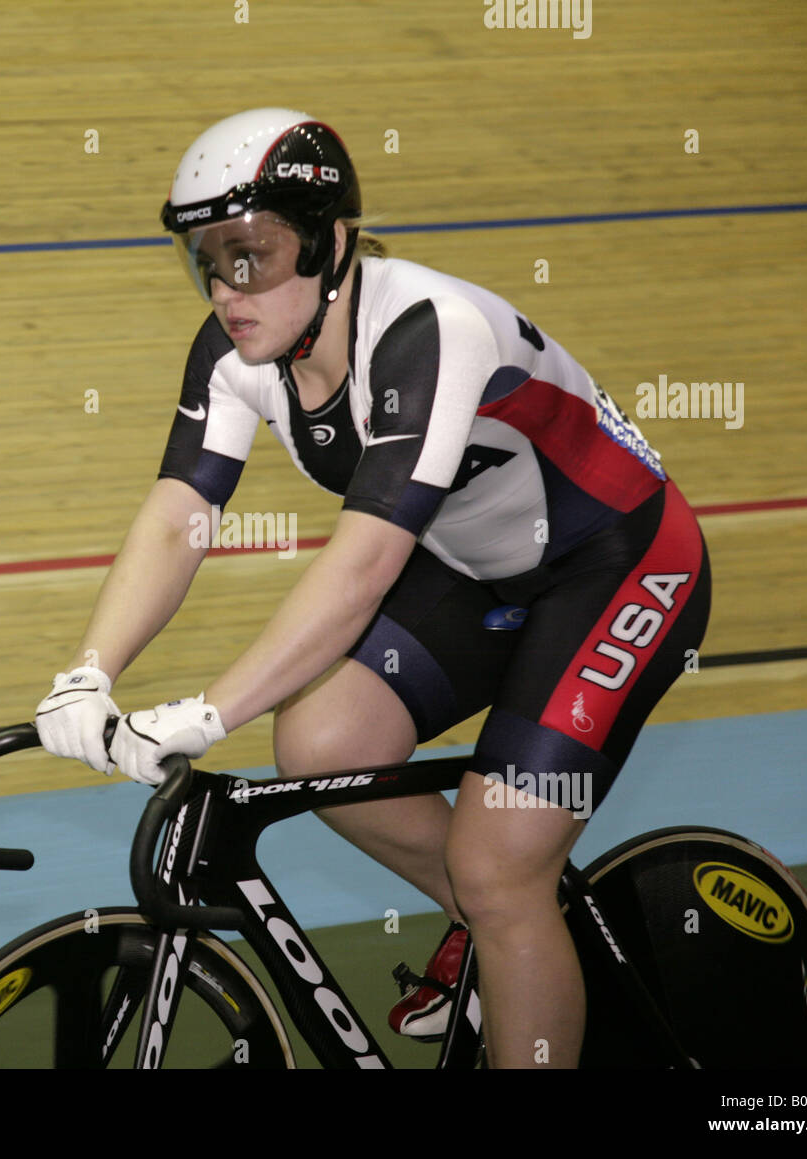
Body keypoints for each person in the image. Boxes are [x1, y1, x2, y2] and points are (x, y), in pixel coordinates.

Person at [35, 107, 711, 1068]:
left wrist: (203, 711)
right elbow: (180, 514)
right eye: (207, 259)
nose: (229, 288)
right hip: (481, 566)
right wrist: (88, 670)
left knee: (496, 862)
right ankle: (504, 930)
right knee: (321, 743)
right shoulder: (236, 353)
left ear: (331, 243)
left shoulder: (430, 331)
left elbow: (356, 576)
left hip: (623, 563)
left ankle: (505, 909)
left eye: (253, 254)